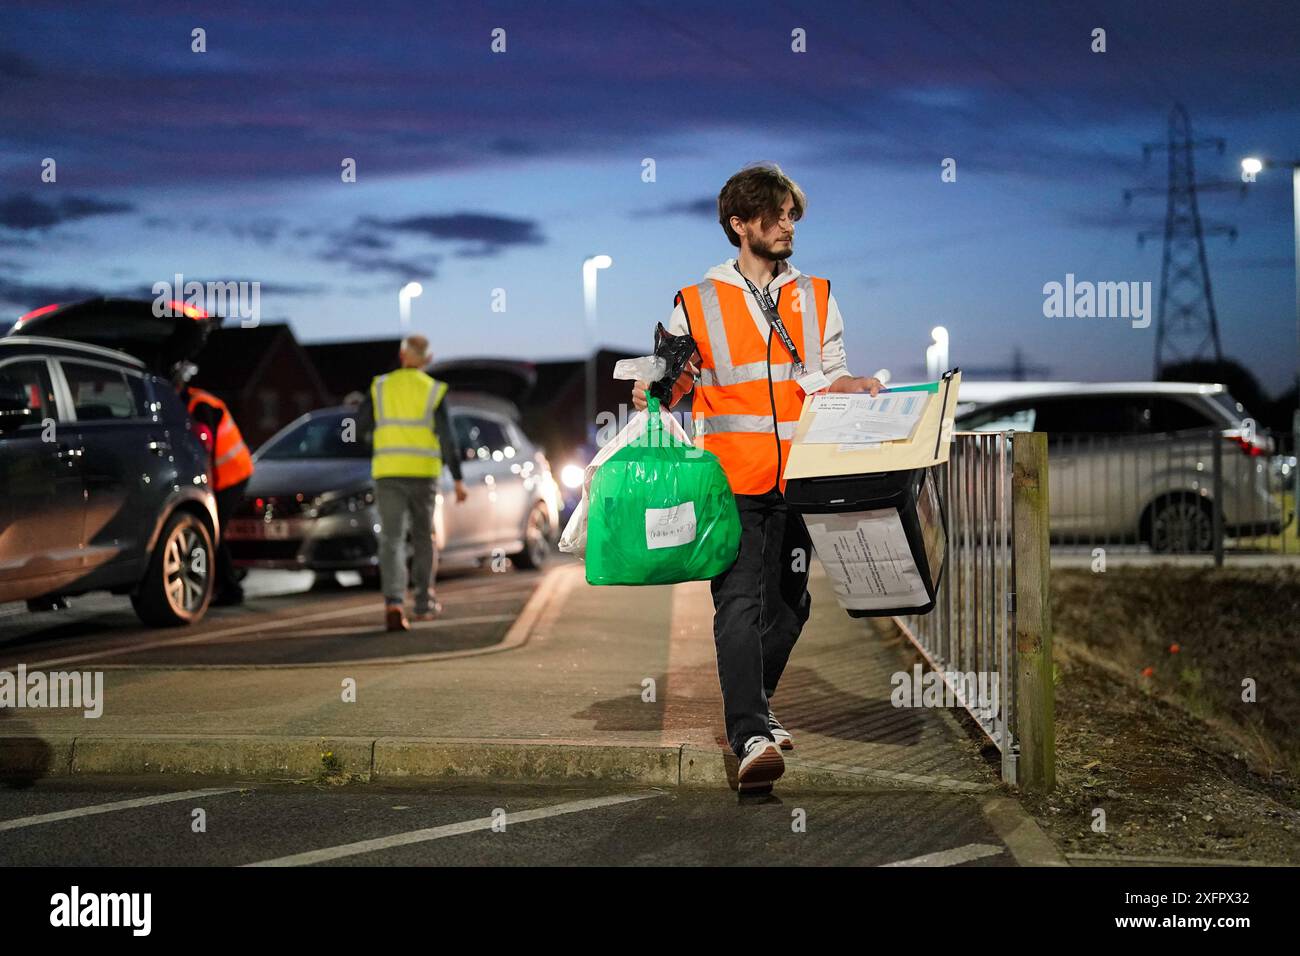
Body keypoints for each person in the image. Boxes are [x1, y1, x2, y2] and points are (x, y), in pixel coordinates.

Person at [631, 163, 885, 791]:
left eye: (793, 214)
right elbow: (675, 382)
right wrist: (654, 389)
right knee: (738, 604)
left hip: (801, 476)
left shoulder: (818, 294)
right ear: (740, 224)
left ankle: (758, 701)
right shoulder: (696, 301)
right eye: (775, 214)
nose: (788, 224)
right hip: (730, 481)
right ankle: (747, 734)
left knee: (791, 604)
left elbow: (829, 374)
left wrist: (849, 384)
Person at [358, 334, 468, 632]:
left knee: (392, 539)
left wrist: (375, 439)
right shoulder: (434, 390)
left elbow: (360, 427)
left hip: (388, 472)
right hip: (423, 474)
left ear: (402, 355)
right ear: (428, 360)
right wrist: (457, 479)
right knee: (423, 538)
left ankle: (394, 602)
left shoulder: (380, 386)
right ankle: (423, 603)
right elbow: (448, 437)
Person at [174, 362, 254, 606]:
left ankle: (231, 589)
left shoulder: (199, 405)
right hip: (226, 473)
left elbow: (204, 447)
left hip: (232, 474)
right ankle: (227, 580)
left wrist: (202, 485)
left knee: (213, 530)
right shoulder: (187, 404)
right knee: (214, 531)